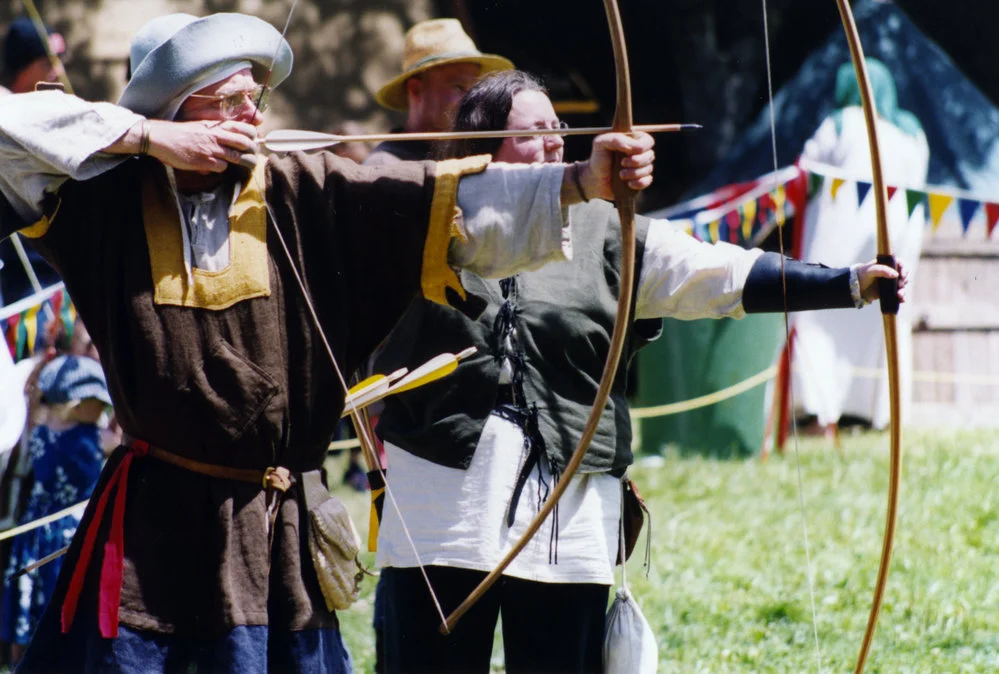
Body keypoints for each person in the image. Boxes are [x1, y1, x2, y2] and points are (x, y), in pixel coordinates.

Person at [0, 12, 655, 672]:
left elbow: (440, 201)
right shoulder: (97, 197)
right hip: (151, 526)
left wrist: (581, 182)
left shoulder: (302, 188)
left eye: (253, 101)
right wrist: (145, 137)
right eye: (226, 103)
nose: (249, 118)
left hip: (274, 526)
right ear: (178, 111)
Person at [369, 70, 909, 673]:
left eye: (559, 127)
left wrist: (847, 283)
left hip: (566, 509)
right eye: (533, 131)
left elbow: (714, 275)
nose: (555, 141)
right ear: (483, 142)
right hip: (444, 504)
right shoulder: (427, 220)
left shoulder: (605, 230)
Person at [793, 58, 929, 439]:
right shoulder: (914, 133)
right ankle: (874, 415)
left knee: (820, 315)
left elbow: (803, 174)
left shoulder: (840, 123)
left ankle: (819, 414)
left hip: (838, 246)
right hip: (893, 246)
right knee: (879, 322)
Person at [0, 355, 109, 665]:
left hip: (35, 530)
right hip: (70, 534)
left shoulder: (39, 431)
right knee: (62, 602)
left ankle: (20, 662)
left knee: (30, 599)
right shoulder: (96, 438)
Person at [364, 18, 513, 166]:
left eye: (474, 88)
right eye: (458, 87)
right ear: (416, 89)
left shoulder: (478, 155)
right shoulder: (385, 166)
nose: (471, 100)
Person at [0, 17, 66, 306]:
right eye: (47, 62)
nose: (58, 71)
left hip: (65, 278)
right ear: (23, 68)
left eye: (60, 60)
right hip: (23, 287)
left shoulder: (63, 122)